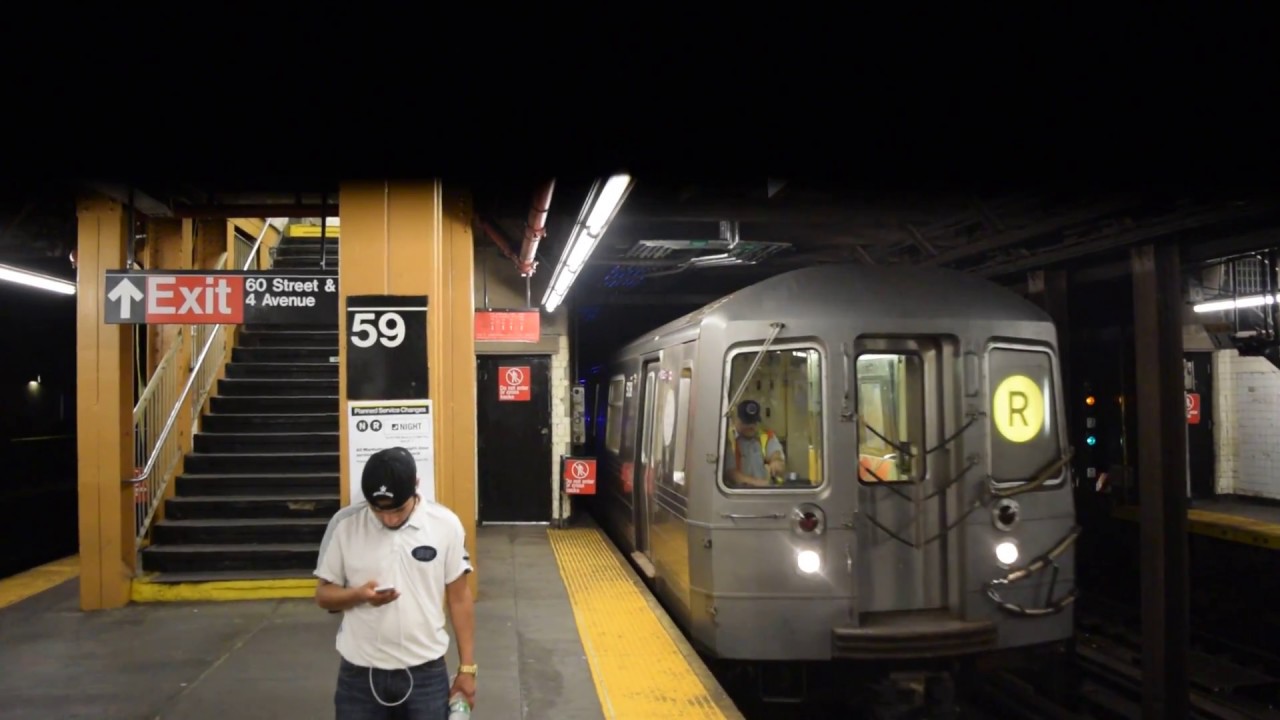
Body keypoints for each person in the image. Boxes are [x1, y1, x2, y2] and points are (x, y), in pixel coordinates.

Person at [314, 446, 477, 719]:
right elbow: (323, 595)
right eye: (378, 510)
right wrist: (359, 595)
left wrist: (468, 669)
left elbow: (459, 598)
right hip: (359, 676)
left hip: (426, 674)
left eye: (398, 509)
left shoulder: (445, 525)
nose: (389, 518)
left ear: (416, 486)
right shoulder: (344, 524)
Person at [724, 399, 787, 487]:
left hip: (765, 493)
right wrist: (759, 484)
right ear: (736, 421)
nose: (751, 426)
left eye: (753, 422)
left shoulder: (766, 436)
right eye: (746, 422)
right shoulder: (728, 439)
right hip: (737, 494)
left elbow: (776, 455)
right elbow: (731, 474)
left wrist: (776, 462)